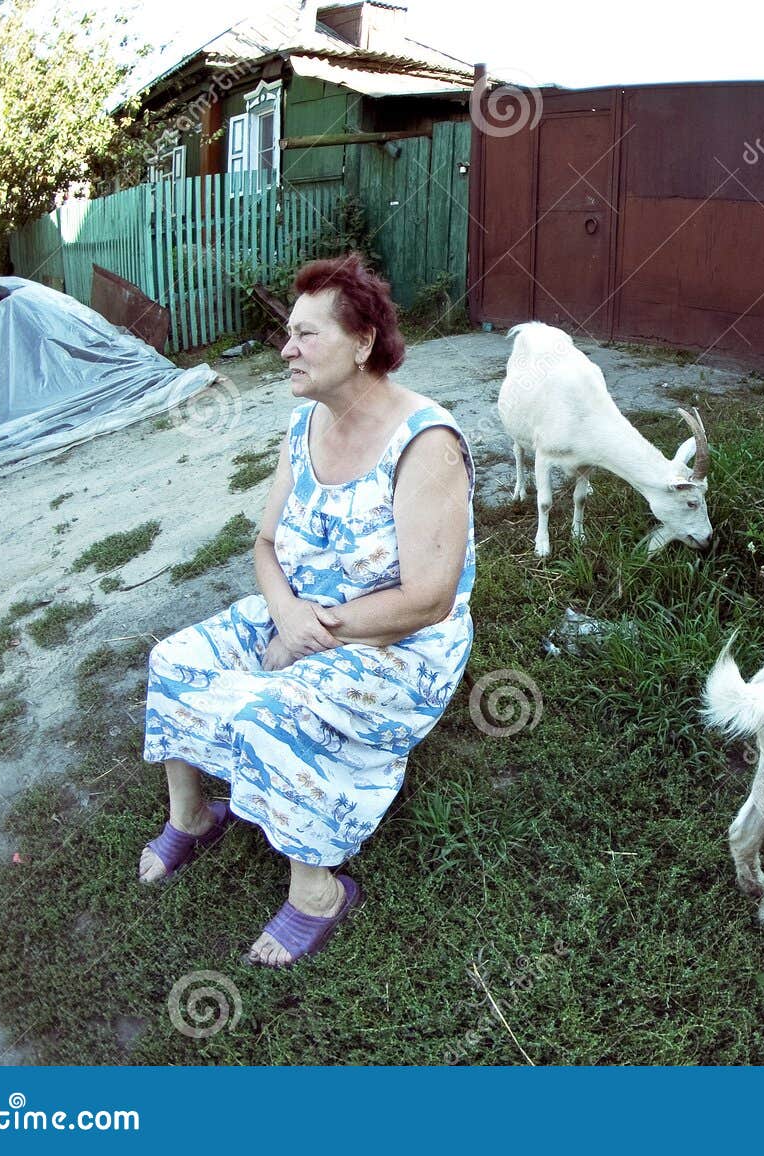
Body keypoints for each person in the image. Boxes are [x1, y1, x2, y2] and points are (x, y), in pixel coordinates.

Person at [139, 253, 475, 966]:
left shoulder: (427, 441)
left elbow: (429, 597)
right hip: (301, 610)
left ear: (362, 343)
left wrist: (309, 636)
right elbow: (264, 543)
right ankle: (193, 818)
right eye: (287, 333)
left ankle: (318, 890)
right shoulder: (303, 427)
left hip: (397, 642)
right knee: (174, 661)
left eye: (306, 334)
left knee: (272, 710)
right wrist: (287, 614)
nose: (286, 348)